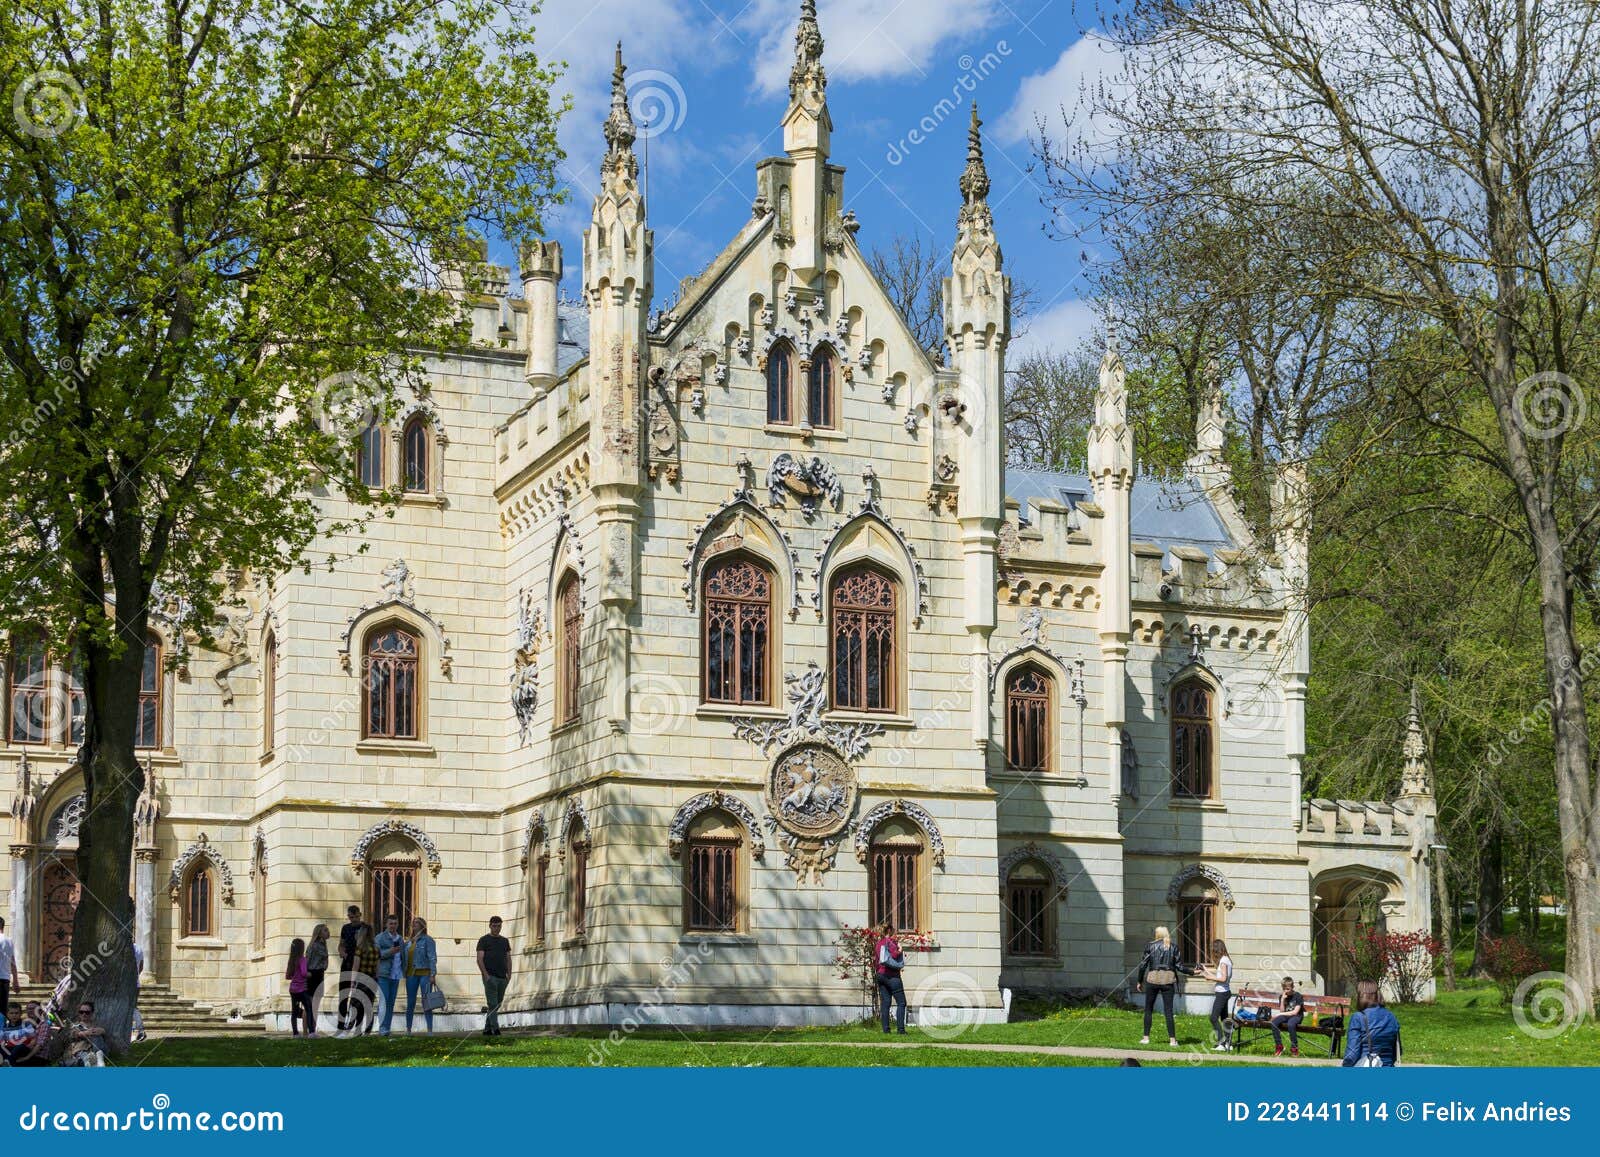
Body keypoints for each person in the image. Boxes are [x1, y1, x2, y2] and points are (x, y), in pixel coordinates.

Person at [1135, 925, 1182, 1047]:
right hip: (1168, 980)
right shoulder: (1174, 947)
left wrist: (1139, 981)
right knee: (1169, 1011)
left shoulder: (1150, 946)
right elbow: (1179, 967)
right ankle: (1172, 1040)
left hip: (1152, 979)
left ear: (1157, 934)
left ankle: (1146, 1038)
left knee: (1148, 1009)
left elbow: (1142, 965)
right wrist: (1193, 972)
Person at [1342, 979, 1402, 1067]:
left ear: (1361, 996)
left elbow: (1351, 1055)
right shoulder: (1391, 1017)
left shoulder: (1358, 1018)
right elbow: (1397, 1050)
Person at [341, 923, 381, 1037]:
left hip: (361, 980)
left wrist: (352, 982)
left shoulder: (359, 949)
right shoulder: (376, 949)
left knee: (356, 1005)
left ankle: (356, 1030)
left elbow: (355, 967)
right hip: (372, 980)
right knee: (368, 1005)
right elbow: (378, 968)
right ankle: (367, 1031)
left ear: (362, 934)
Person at [475, 916, 512, 1036]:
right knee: (492, 1003)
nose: (497, 928)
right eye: (494, 926)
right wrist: (485, 975)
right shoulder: (484, 940)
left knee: (497, 1004)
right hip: (490, 977)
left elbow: (508, 958)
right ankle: (496, 1029)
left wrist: (509, 975)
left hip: (503, 977)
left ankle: (487, 1030)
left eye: (499, 926)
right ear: (490, 926)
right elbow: (480, 959)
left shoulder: (505, 941)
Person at [337, 905, 371, 1033]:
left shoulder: (365, 928)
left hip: (361, 965)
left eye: (356, 916)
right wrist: (342, 952)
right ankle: (341, 1025)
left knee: (359, 996)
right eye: (351, 917)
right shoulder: (345, 928)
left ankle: (357, 1025)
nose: (353, 920)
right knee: (343, 994)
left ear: (360, 914)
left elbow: (370, 944)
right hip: (347, 964)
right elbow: (341, 944)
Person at [402, 917, 438, 1034]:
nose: (414, 926)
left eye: (416, 924)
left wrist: (433, 974)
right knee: (410, 1002)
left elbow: (432, 958)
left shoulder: (428, 940)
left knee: (426, 1002)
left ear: (422, 926)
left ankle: (429, 1030)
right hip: (411, 975)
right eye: (413, 924)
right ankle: (408, 1030)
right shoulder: (409, 941)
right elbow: (404, 958)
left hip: (425, 974)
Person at [873, 918, 907, 1035]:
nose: (894, 932)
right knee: (901, 1003)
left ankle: (886, 1030)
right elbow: (894, 954)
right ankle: (901, 1030)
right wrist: (900, 949)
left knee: (886, 1003)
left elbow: (877, 960)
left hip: (880, 975)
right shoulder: (890, 942)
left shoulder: (878, 943)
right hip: (892, 976)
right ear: (889, 930)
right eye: (893, 930)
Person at [374, 914, 405, 1036]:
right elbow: (377, 954)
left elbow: (403, 956)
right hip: (384, 974)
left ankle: (387, 1028)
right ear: (386, 924)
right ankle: (382, 1028)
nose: (393, 926)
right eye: (391, 923)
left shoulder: (400, 938)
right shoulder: (380, 937)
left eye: (395, 923)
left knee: (391, 1002)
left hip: (396, 975)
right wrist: (390, 951)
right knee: (384, 1002)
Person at [1204, 938, 1234, 1051]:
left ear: (1217, 950)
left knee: (1213, 1018)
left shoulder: (1223, 961)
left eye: (1213, 950)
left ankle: (1221, 1043)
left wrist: (1209, 977)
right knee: (1225, 1019)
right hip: (1225, 992)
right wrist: (1206, 970)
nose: (1213, 953)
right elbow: (1221, 976)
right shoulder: (1226, 960)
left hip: (1222, 993)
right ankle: (1228, 1044)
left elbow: (1223, 978)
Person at [1270, 975, 1307, 1057]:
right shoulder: (1282, 996)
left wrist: (1279, 1014)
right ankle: (1279, 1046)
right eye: (1284, 989)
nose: (1285, 991)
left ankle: (1294, 1048)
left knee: (1290, 1024)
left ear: (1293, 987)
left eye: (1287, 989)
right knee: (1273, 1023)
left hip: (1297, 1016)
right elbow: (1282, 1011)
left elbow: (1295, 1012)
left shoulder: (1298, 996)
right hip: (1286, 1015)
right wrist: (1282, 1000)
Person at [61, 1001, 107, 1067]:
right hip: (81, 1050)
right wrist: (83, 1033)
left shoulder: (96, 1024)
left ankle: (99, 1057)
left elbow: (104, 1034)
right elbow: (72, 1035)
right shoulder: (75, 1025)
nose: (84, 1014)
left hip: (95, 1049)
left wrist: (102, 1031)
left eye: (87, 1012)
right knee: (85, 1057)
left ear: (92, 1013)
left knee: (97, 1036)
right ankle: (89, 1062)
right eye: (81, 1012)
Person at [305, 924, 331, 1034]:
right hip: (312, 975)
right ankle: (307, 1031)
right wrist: (306, 973)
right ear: (319, 933)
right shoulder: (313, 946)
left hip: (320, 974)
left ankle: (313, 1030)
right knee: (309, 1005)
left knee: (316, 1004)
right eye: (325, 930)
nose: (328, 932)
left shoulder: (324, 945)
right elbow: (307, 960)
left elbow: (325, 961)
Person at [130, 939, 147, 1043]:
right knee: (133, 1007)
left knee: (132, 1008)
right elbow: (141, 967)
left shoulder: (120, 947)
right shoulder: (139, 948)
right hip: (135, 983)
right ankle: (139, 1030)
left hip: (127, 984)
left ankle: (140, 1030)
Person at [0, 917, 16, 1018]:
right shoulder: (9, 941)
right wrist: (16, 980)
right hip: (5, 979)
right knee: (2, 1008)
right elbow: (13, 962)